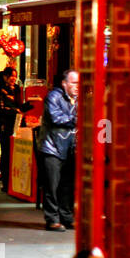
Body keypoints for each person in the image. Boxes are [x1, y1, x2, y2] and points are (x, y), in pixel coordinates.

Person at [37, 69, 79, 232]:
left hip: (69, 148)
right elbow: (56, 118)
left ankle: (66, 217)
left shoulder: (76, 99)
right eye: (74, 83)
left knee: (67, 185)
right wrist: (76, 119)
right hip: (52, 147)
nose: (77, 87)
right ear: (64, 83)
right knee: (52, 185)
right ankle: (52, 219)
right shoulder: (53, 97)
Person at [0, 67, 32, 193]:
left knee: (15, 154)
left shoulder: (17, 91)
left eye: (15, 76)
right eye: (11, 76)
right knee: (6, 153)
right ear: (5, 77)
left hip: (17, 125)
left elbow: (19, 106)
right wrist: (17, 111)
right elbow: (1, 110)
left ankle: (13, 181)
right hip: (4, 126)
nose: (13, 78)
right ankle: (5, 181)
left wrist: (28, 105)